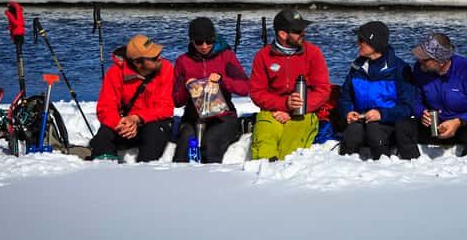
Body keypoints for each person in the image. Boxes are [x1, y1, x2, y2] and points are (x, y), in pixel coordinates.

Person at [395, 32, 467, 158]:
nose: (419, 61)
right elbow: (416, 101)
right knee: (402, 125)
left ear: (441, 61)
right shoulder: (420, 69)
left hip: (463, 127)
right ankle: (412, 163)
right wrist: (422, 113)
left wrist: (459, 122)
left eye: (425, 59)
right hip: (434, 127)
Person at [249, 9, 331, 161]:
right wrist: (284, 104)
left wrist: (296, 108)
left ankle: (283, 171)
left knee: (290, 151)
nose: (303, 33)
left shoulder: (313, 53)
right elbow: (256, 92)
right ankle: (264, 171)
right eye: (298, 31)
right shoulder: (263, 56)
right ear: (282, 34)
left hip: (304, 112)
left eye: (303, 30)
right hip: (272, 112)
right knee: (264, 145)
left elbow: (323, 90)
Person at [172, 17, 250, 163]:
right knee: (183, 153)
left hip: (223, 116)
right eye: (199, 42)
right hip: (192, 117)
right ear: (191, 41)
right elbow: (177, 101)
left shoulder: (226, 56)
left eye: (209, 41)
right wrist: (187, 88)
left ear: (214, 38)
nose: (204, 46)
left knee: (210, 146)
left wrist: (222, 80)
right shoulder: (183, 61)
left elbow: (245, 88)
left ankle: (213, 176)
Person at [90, 34, 174, 162]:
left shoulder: (166, 68)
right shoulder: (115, 73)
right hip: (125, 125)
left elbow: (166, 107)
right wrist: (121, 124)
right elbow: (105, 108)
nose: (159, 58)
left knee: (154, 132)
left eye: (158, 53)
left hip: (152, 123)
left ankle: (144, 169)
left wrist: (136, 118)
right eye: (154, 57)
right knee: (103, 136)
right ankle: (106, 168)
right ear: (137, 62)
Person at [337, 21, 414, 160]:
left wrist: (381, 114)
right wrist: (348, 112)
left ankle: (383, 165)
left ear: (375, 44)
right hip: (361, 121)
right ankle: (344, 167)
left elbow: (407, 107)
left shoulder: (400, 69)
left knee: (375, 130)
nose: (358, 43)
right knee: (353, 131)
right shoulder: (357, 67)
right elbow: (345, 97)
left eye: (362, 40)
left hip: (388, 124)